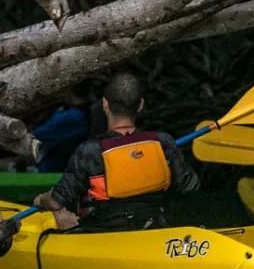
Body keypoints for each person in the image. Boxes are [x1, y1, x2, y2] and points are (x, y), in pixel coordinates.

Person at [31, 71, 199, 231]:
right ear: (140, 105)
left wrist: (42, 199)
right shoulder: (163, 142)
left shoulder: (90, 151)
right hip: (156, 226)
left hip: (107, 233)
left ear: (105, 104)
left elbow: (55, 202)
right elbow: (190, 186)